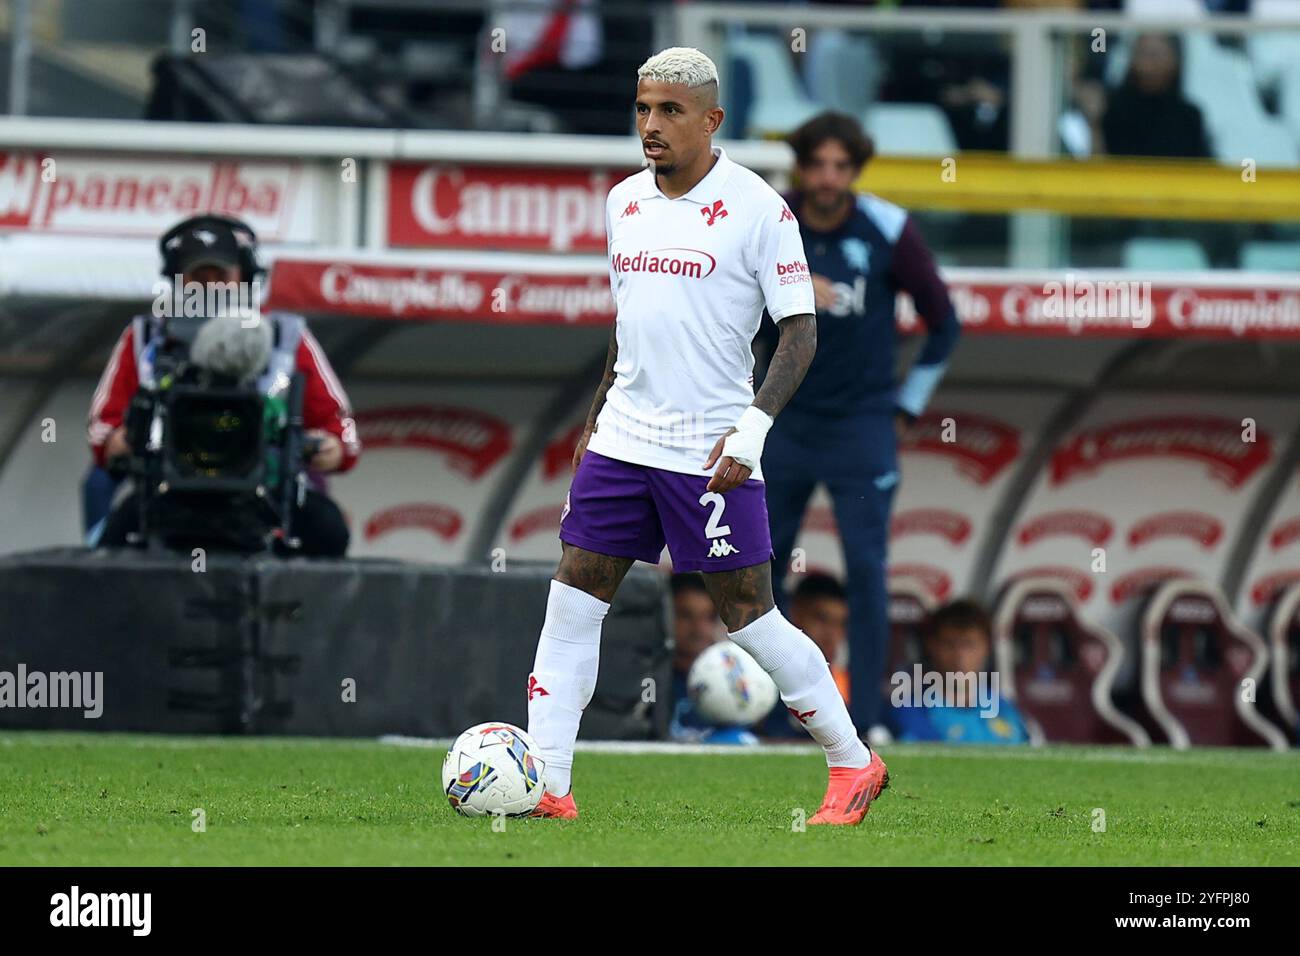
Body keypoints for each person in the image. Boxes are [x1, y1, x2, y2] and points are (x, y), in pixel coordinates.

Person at [525, 48, 888, 824]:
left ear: (712, 120)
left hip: (709, 449)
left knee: (749, 615)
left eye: (670, 112)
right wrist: (592, 425)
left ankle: (853, 763)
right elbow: (629, 329)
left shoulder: (761, 209)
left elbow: (800, 333)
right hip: (625, 439)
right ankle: (548, 786)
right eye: (643, 109)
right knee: (572, 600)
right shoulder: (623, 201)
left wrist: (753, 430)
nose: (650, 126)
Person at [760, 111, 961, 741]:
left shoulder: (888, 227)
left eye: (840, 166)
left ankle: (867, 719)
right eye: (816, 164)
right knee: (759, 570)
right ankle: (766, 714)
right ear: (800, 165)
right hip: (783, 418)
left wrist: (908, 404)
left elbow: (944, 322)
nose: (826, 178)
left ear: (856, 169)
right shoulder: (770, 218)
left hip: (861, 424)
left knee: (868, 572)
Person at [89, 214, 361, 557]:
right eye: (198, 277)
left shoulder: (286, 337)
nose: (210, 287)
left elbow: (345, 431)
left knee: (329, 532)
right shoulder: (145, 338)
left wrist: (329, 447)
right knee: (110, 548)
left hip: (267, 493)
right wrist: (123, 439)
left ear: (244, 276)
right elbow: (102, 432)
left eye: (221, 276)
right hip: (168, 493)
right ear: (177, 280)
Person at [888, 599, 1029, 744]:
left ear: (986, 647)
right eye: (949, 645)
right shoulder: (911, 712)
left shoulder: (1005, 709)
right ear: (931, 646)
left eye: (968, 644)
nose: (959, 656)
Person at [759, 572, 850, 737]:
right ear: (795, 614)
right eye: (822, 619)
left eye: (840, 624)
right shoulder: (761, 683)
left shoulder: (849, 688)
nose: (832, 634)